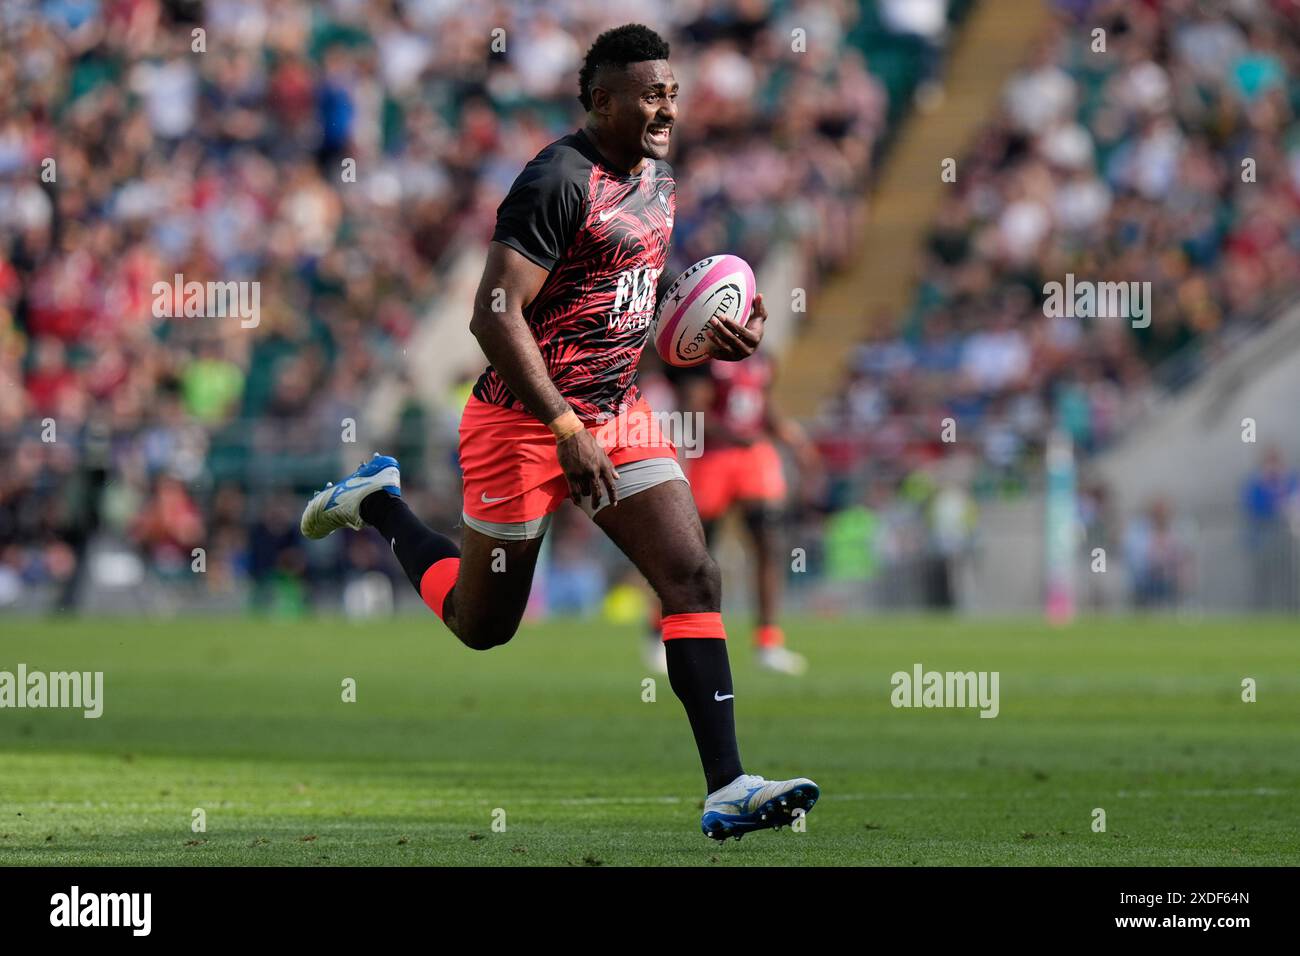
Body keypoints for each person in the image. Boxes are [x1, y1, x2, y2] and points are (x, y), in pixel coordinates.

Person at [300, 24, 817, 841]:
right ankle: (380, 504)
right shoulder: (556, 179)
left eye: (672, 92)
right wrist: (562, 424)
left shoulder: (661, 180)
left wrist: (713, 334)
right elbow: (492, 313)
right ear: (601, 99)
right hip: (521, 423)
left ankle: (727, 786)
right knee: (483, 625)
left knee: (693, 577)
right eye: (651, 94)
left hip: (616, 412)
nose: (667, 107)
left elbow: (616, 309)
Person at [646, 352, 818, 675]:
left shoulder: (763, 359)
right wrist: (735, 436)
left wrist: (793, 440)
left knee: (769, 542)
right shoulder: (707, 356)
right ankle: (661, 632)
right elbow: (694, 412)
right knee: (693, 555)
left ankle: (768, 641)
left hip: (753, 456)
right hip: (714, 457)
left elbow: (763, 406)